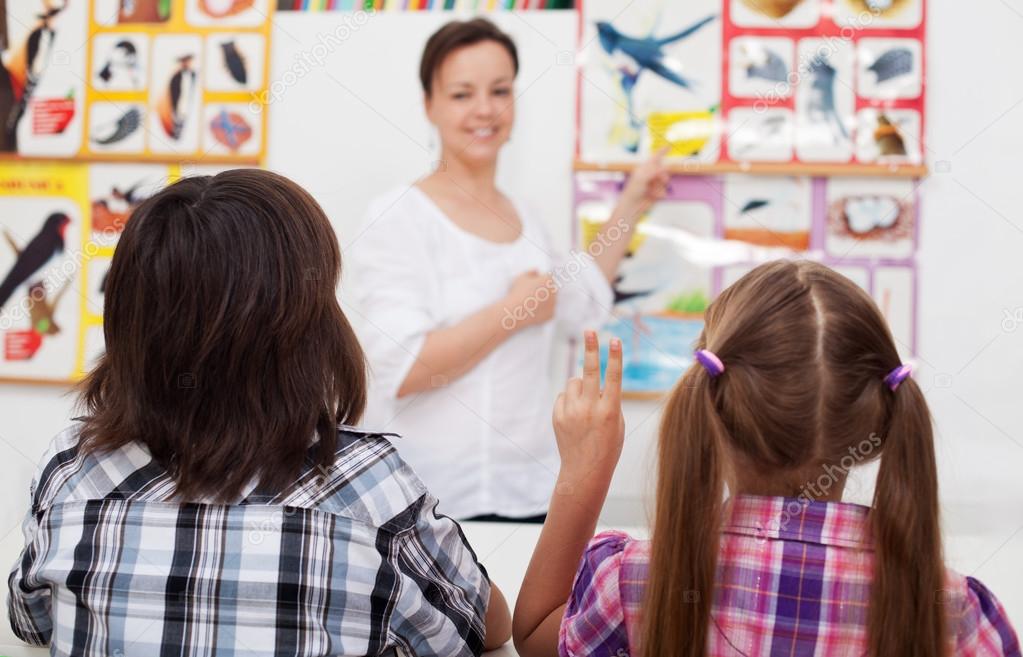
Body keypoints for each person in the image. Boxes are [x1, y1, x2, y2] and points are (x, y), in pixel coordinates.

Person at [7, 170, 511, 656]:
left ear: (128, 321)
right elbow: (482, 627)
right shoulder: (369, 488)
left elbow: (31, 621)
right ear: (311, 331)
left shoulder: (71, 471)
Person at [513, 260, 1021, 657]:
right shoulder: (953, 615)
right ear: (877, 419)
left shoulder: (634, 583)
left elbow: (534, 632)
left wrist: (584, 469)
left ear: (712, 409)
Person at [350, 18, 668, 521]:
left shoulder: (528, 220)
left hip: (530, 495)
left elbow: (579, 300)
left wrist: (632, 202)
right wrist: (515, 309)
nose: (484, 109)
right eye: (461, 94)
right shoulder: (398, 216)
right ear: (429, 104)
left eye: (500, 91)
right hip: (429, 505)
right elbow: (407, 368)